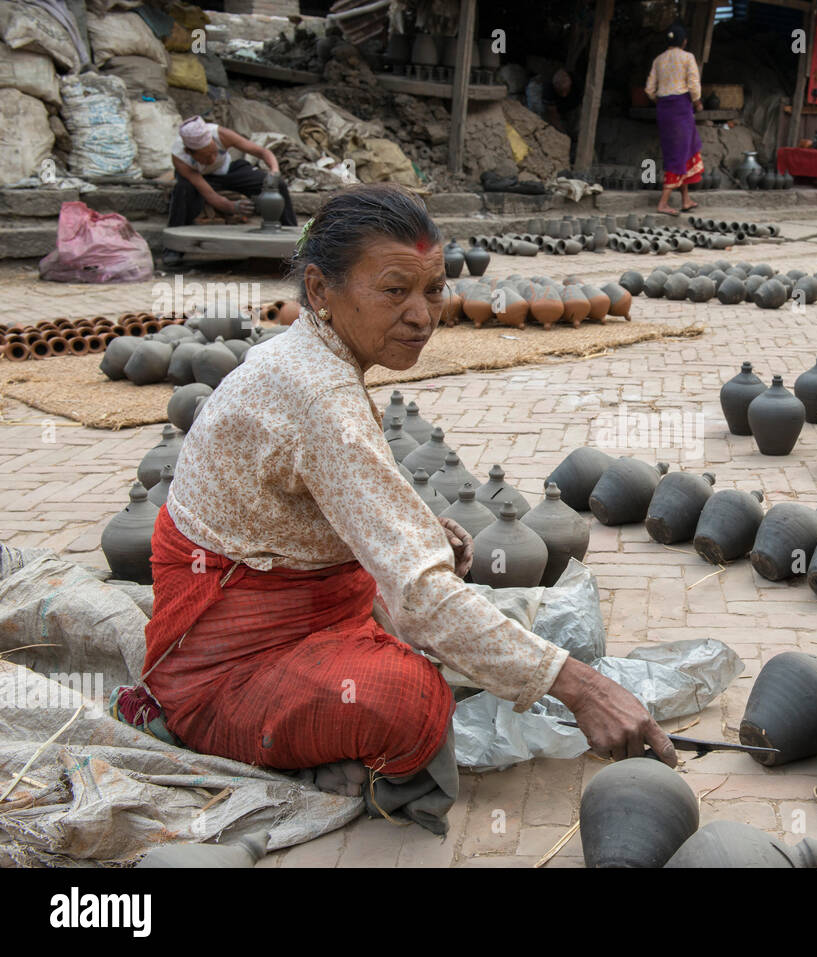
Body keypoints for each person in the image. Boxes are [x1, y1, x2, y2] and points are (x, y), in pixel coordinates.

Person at [117, 185, 676, 833]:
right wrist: (582, 688)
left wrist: (420, 533)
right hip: (220, 665)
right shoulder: (318, 393)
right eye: (394, 291)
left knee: (456, 627)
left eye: (434, 289)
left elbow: (313, 502)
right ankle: (232, 732)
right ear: (321, 290)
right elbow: (422, 597)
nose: (422, 314)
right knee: (411, 702)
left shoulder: (311, 357)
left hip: (282, 598)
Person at [165, 116, 297, 264]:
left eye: (214, 152)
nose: (212, 158)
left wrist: (274, 172)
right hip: (202, 178)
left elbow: (263, 152)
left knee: (278, 185)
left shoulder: (221, 134)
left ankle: (295, 242)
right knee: (183, 190)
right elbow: (211, 195)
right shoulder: (180, 158)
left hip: (227, 170)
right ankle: (174, 250)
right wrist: (234, 207)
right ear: (190, 153)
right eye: (206, 157)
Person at [645, 22, 703, 216]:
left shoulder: (658, 60)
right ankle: (663, 203)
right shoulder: (688, 57)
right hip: (681, 108)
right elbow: (693, 85)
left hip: (664, 109)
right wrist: (697, 102)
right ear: (684, 42)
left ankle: (686, 200)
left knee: (682, 152)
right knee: (678, 154)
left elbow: (649, 90)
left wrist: (660, 101)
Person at [525, 67, 579, 136]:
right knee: (541, 113)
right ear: (555, 86)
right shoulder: (548, 89)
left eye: (565, 91)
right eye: (561, 92)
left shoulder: (577, 83)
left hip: (565, 95)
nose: (564, 94)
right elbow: (553, 115)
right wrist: (563, 134)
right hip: (537, 86)